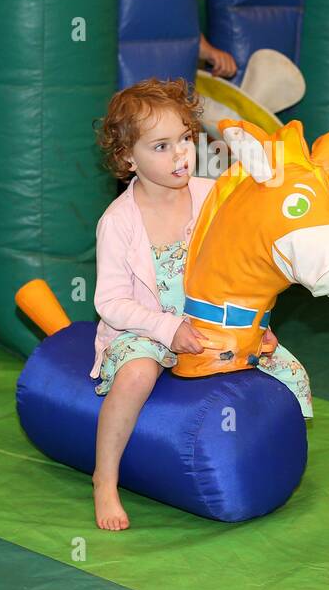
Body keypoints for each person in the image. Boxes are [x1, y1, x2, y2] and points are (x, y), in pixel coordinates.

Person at [89, 78, 313, 530]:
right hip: (145, 330)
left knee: (285, 369)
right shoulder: (119, 222)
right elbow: (110, 301)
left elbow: (247, 267)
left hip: (210, 321)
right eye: (161, 146)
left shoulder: (214, 195)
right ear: (127, 158)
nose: (181, 154)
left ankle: (271, 454)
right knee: (136, 375)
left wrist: (259, 324)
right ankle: (105, 478)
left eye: (186, 138)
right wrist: (168, 331)